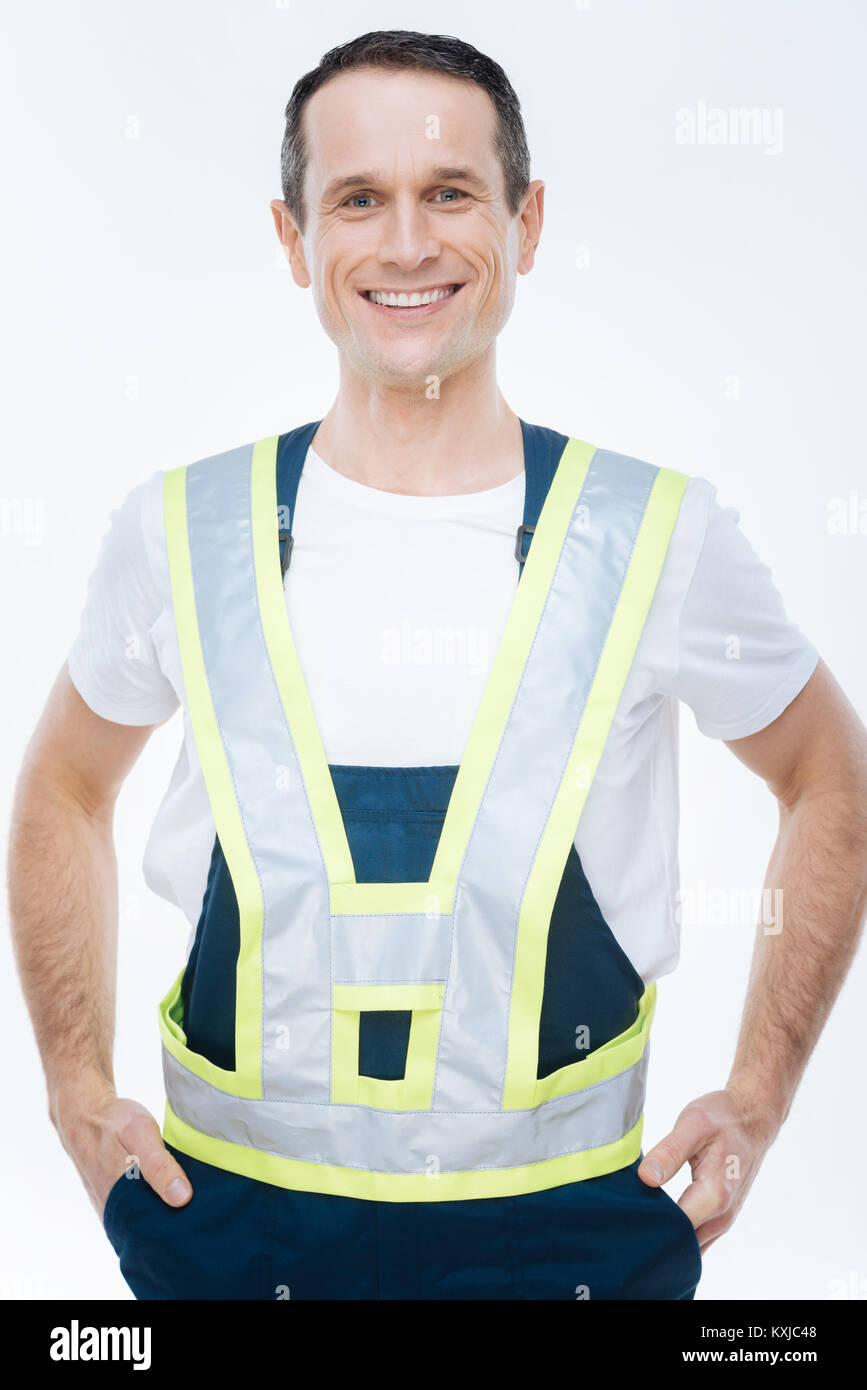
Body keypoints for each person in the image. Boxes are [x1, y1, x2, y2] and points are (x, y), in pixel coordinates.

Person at [8, 29, 867, 1302]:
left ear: (526, 223)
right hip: (228, 1247)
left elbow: (828, 780)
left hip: (569, 1253)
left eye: (448, 193)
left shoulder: (654, 535)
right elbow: (62, 790)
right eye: (359, 199)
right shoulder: (180, 533)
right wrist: (76, 1092)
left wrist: (758, 1099)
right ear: (296, 240)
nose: (405, 245)